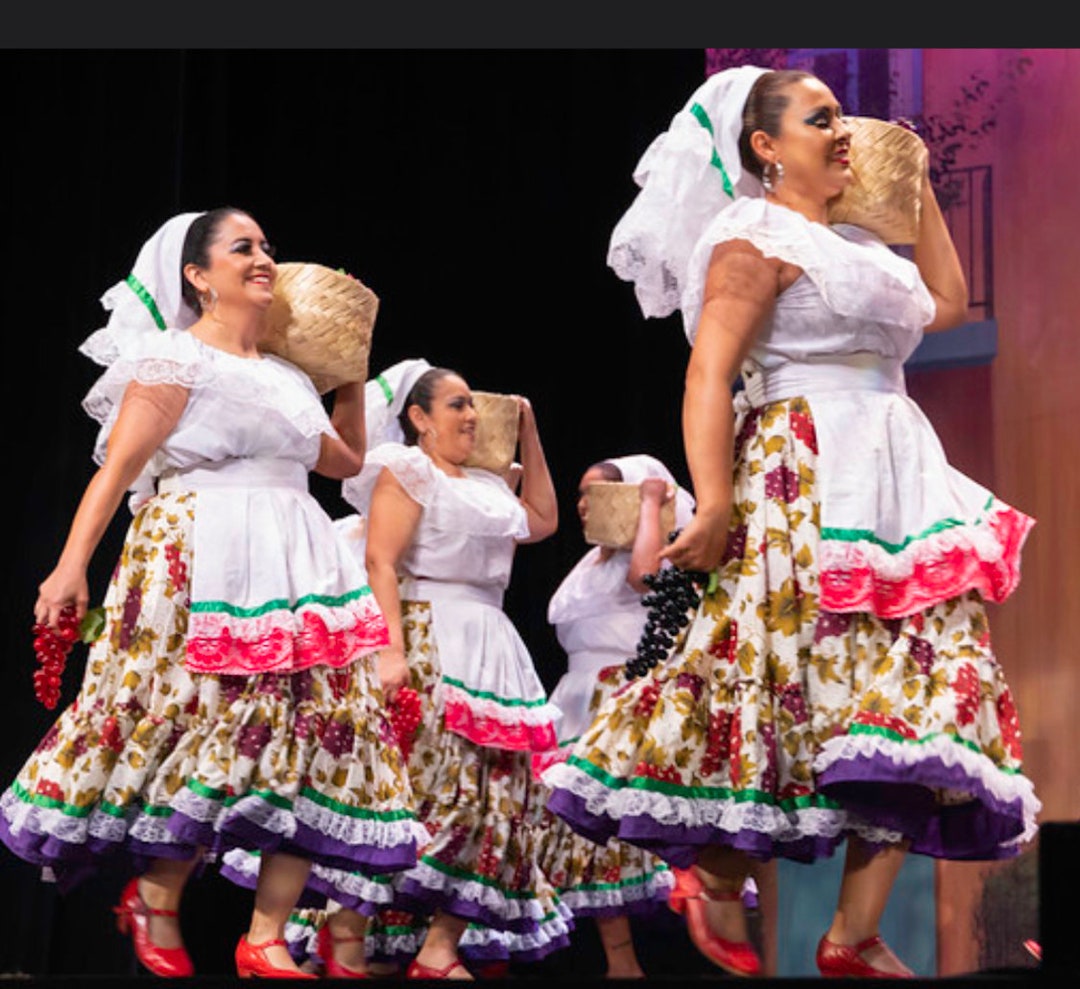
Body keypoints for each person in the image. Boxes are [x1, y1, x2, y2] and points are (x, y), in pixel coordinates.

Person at [542, 65, 1040, 979]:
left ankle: (850, 932)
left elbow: (948, 306)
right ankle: (719, 869)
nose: (841, 130)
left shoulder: (858, 245)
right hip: (804, 467)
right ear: (765, 147)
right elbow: (707, 374)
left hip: (896, 472)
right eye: (821, 118)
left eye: (841, 117)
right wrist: (717, 496)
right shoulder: (750, 233)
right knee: (786, 686)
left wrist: (921, 188)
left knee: (921, 692)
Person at [0, 209, 425, 978]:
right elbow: (118, 469)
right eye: (244, 248)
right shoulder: (175, 359)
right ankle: (157, 898)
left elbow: (346, 459)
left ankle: (265, 933)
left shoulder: (290, 376)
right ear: (197, 275)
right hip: (200, 548)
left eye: (266, 247)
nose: (264, 257)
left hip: (295, 559)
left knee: (320, 729)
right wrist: (70, 567)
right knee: (201, 722)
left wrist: (352, 369)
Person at [299, 358, 571, 980]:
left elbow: (545, 521)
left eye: (475, 404)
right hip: (431, 633)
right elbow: (381, 561)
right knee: (417, 787)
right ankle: (348, 928)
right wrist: (390, 650)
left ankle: (441, 947)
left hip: (492, 643)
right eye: (457, 404)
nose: (472, 414)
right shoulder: (410, 469)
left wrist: (528, 431)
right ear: (419, 418)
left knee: (497, 796)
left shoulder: (488, 484)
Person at [531, 454, 689, 979]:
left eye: (596, 494)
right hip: (575, 699)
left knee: (636, 824)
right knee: (585, 831)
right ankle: (621, 964)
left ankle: (697, 933)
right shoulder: (590, 563)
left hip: (621, 697)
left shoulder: (646, 553)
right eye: (580, 493)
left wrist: (648, 505)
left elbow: (648, 577)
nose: (582, 505)